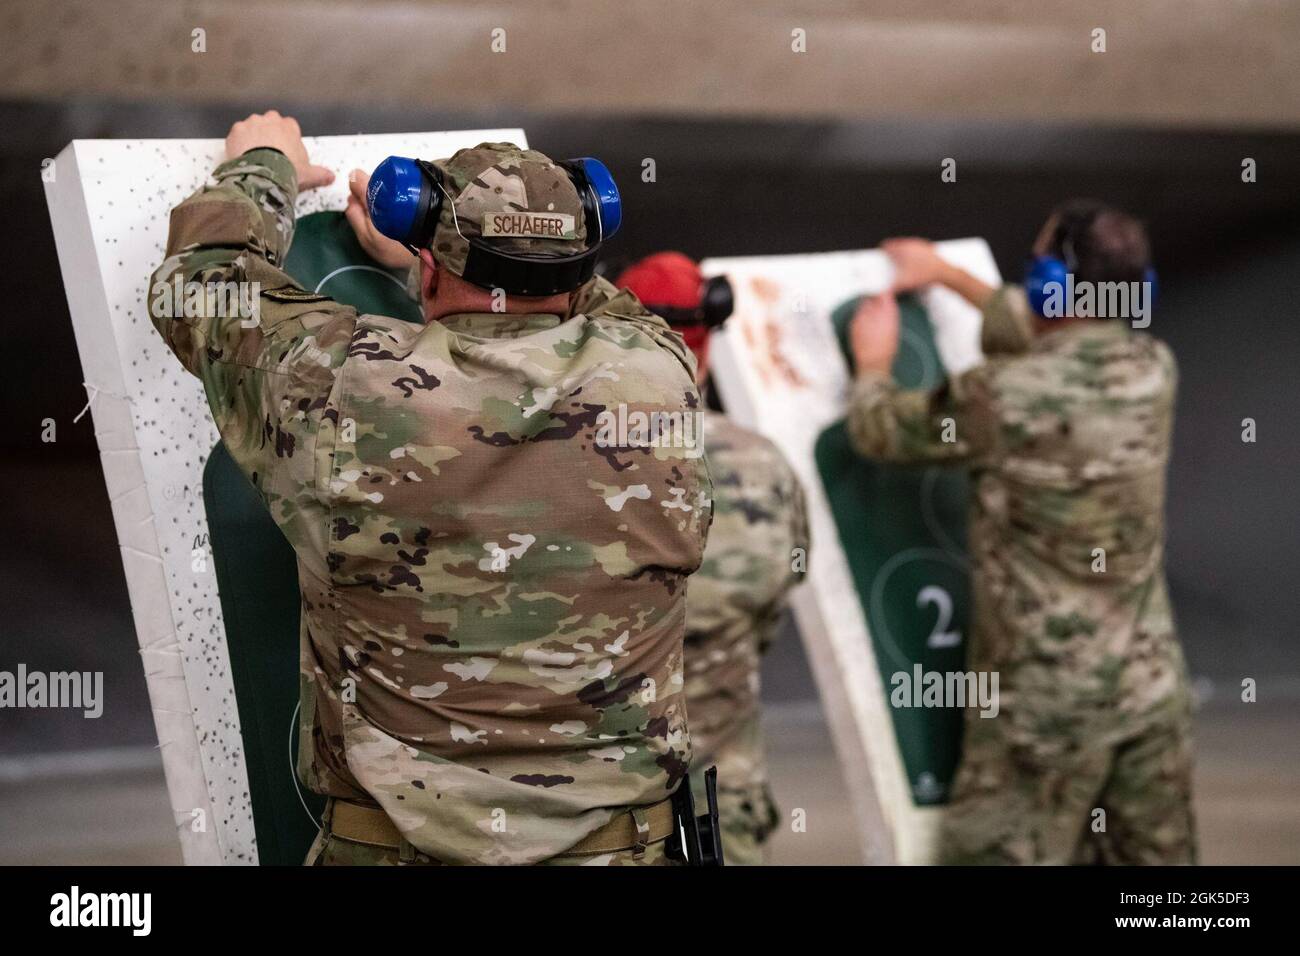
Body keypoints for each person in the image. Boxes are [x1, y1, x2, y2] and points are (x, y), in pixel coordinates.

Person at [148, 112, 712, 865]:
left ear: (431, 264)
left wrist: (260, 167)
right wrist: (485, 255)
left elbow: (202, 288)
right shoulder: (660, 379)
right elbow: (600, 309)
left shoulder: (347, 382)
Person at [846, 202, 1195, 864]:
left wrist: (872, 363)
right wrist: (948, 274)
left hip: (1042, 711)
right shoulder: (1154, 369)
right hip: (1149, 692)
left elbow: (879, 427)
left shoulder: (999, 395)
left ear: (1050, 287)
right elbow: (1054, 338)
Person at [617, 252, 809, 865]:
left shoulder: (565, 460)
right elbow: (776, 604)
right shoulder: (764, 465)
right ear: (707, 346)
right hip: (721, 804)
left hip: (598, 804)